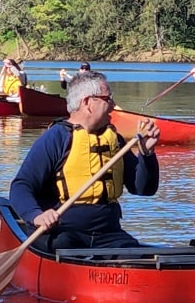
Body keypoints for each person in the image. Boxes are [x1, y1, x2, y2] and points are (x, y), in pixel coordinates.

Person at [10, 69, 161, 249]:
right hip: (63, 234)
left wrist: (146, 154)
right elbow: (20, 186)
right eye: (108, 98)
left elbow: (143, 189)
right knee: (64, 245)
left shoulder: (115, 140)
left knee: (141, 255)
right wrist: (36, 215)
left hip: (108, 234)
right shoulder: (56, 138)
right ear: (88, 102)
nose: (113, 105)